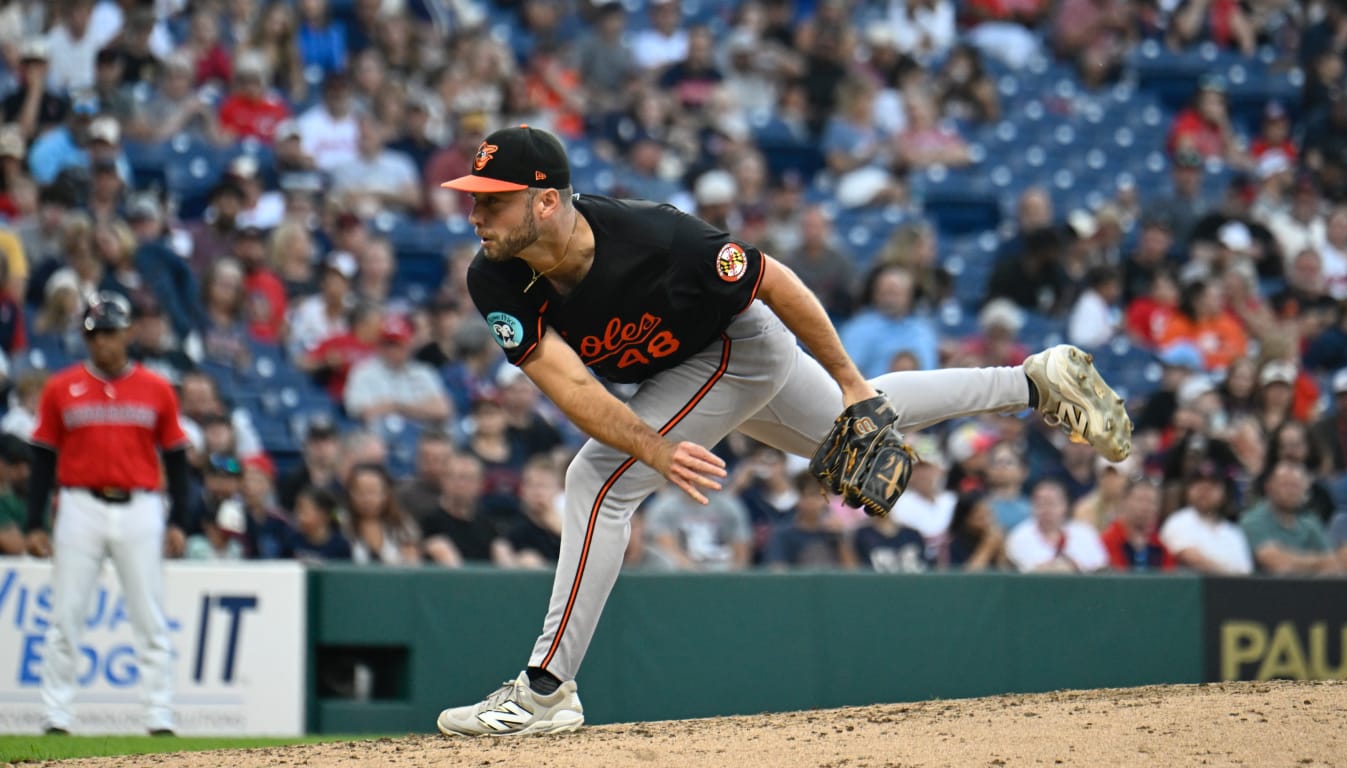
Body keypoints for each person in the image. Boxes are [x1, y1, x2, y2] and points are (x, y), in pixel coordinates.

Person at [431, 126, 1132, 736]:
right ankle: (1036, 382)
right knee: (831, 437)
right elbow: (572, 388)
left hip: (741, 343)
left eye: (491, 197)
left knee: (597, 478)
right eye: (474, 195)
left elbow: (775, 281)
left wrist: (855, 385)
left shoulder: (654, 235)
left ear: (546, 200)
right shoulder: (495, 278)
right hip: (689, 367)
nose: (475, 211)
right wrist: (656, 448)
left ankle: (546, 691)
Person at [23, 292, 191, 736]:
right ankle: (56, 714)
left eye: (112, 333)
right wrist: (32, 523)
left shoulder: (157, 388)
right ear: (85, 337)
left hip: (140, 506)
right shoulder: (61, 387)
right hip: (79, 504)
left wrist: (180, 522)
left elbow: (176, 458)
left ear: (129, 333)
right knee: (65, 616)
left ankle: (159, 714)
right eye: (95, 335)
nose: (104, 344)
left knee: (149, 616)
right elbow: (42, 459)